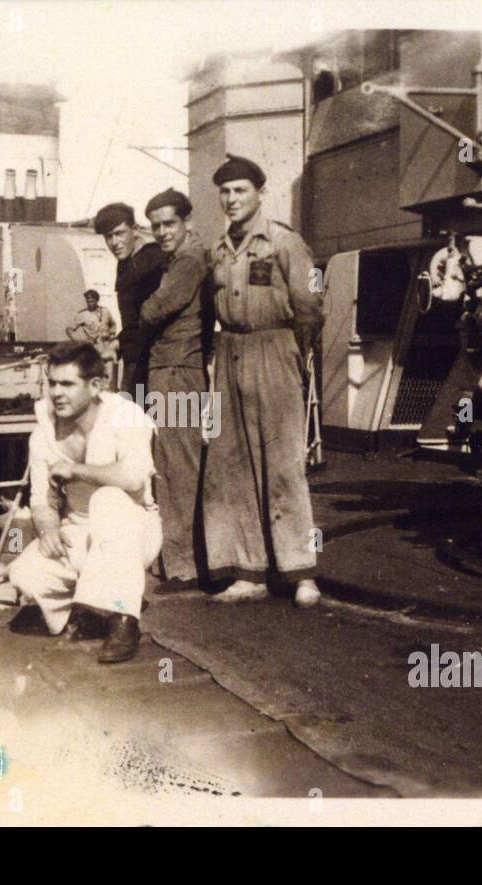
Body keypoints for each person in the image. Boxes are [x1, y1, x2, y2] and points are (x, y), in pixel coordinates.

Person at [203, 154, 323, 607]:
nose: (231, 199)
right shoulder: (218, 250)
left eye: (240, 190)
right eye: (225, 191)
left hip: (275, 348)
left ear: (259, 193)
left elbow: (310, 306)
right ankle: (247, 570)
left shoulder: (285, 243)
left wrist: (296, 355)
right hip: (230, 351)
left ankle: (301, 573)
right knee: (231, 465)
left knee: (284, 464)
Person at [7, 341, 163, 663]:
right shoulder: (44, 435)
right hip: (79, 532)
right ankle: (87, 612)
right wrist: (48, 527)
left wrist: (75, 469)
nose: (57, 392)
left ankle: (123, 620)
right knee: (24, 572)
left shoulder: (125, 416)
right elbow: (41, 499)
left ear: (95, 386)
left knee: (107, 500)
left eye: (67, 384)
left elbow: (133, 477)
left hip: (132, 528)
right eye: (52, 383)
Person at [139, 187, 211, 590]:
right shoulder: (178, 259)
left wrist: (143, 308)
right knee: (167, 462)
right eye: (155, 226)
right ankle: (176, 560)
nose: (162, 232)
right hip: (169, 370)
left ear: (186, 223)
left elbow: (156, 308)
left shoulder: (187, 260)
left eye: (169, 223)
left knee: (177, 467)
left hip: (178, 371)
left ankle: (184, 566)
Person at [93, 202, 167, 395]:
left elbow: (152, 319)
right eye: (108, 236)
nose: (114, 242)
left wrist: (119, 344)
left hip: (154, 363)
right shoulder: (126, 263)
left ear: (134, 230)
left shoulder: (153, 260)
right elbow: (133, 319)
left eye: (119, 233)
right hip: (135, 359)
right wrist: (117, 344)